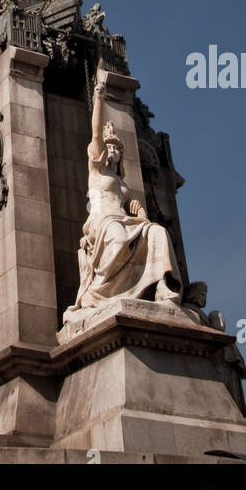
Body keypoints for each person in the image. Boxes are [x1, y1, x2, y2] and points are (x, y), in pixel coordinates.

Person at [61, 84, 182, 335]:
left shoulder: (123, 184)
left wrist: (137, 210)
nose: (113, 150)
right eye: (110, 147)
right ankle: (99, 293)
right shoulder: (97, 170)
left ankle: (162, 288)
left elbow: (132, 205)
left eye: (117, 147)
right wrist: (98, 98)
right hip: (102, 221)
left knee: (157, 233)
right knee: (117, 240)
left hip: (123, 217)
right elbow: (96, 135)